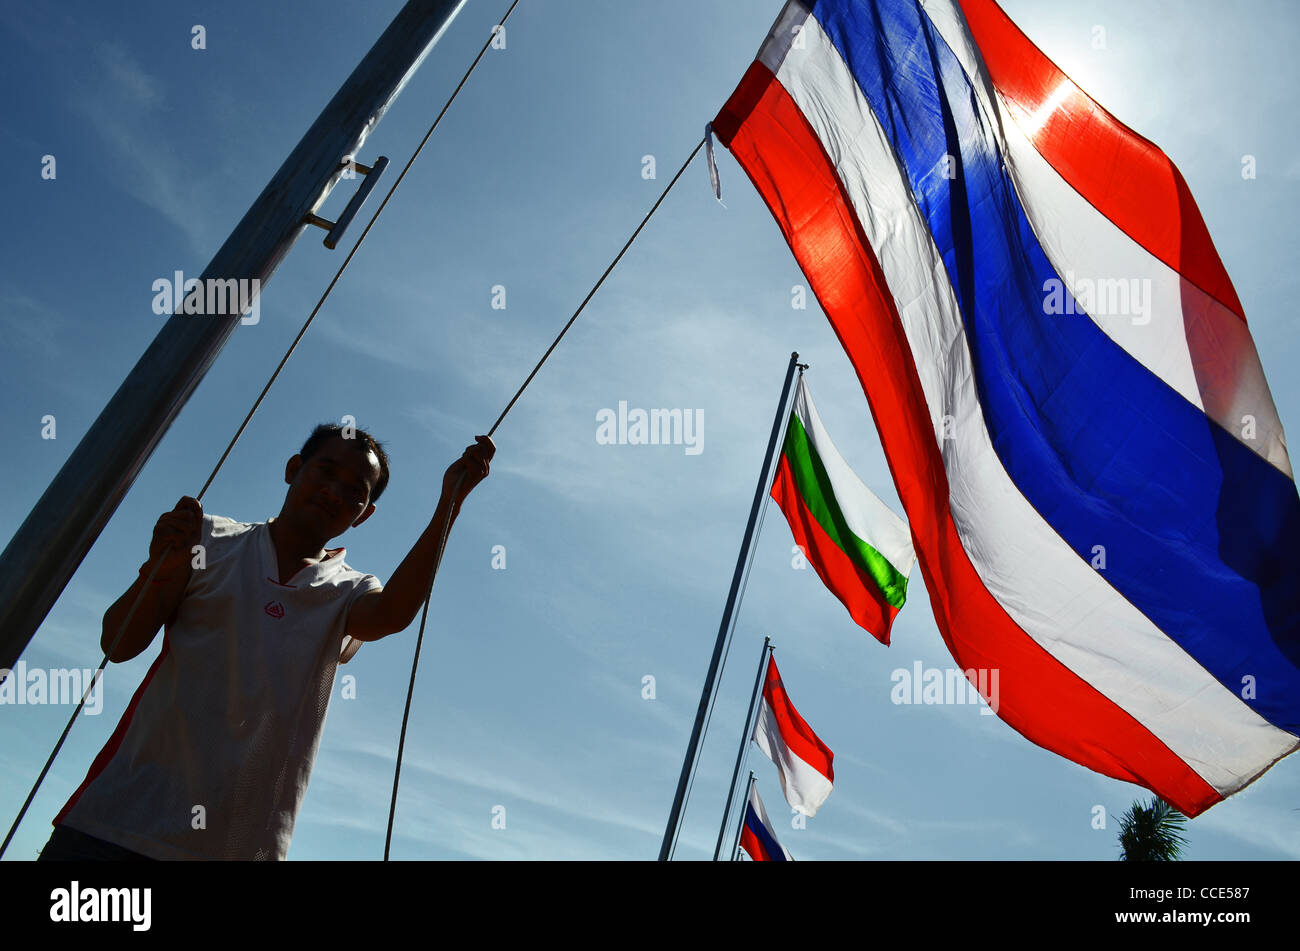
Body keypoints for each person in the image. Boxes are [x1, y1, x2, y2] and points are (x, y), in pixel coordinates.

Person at [37, 425, 495, 861]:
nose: (336, 491)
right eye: (326, 471)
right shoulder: (208, 540)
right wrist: (159, 566)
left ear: (365, 514)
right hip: (113, 826)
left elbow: (392, 614)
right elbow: (119, 643)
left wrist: (448, 506)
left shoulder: (349, 591)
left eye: (357, 490)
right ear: (294, 468)